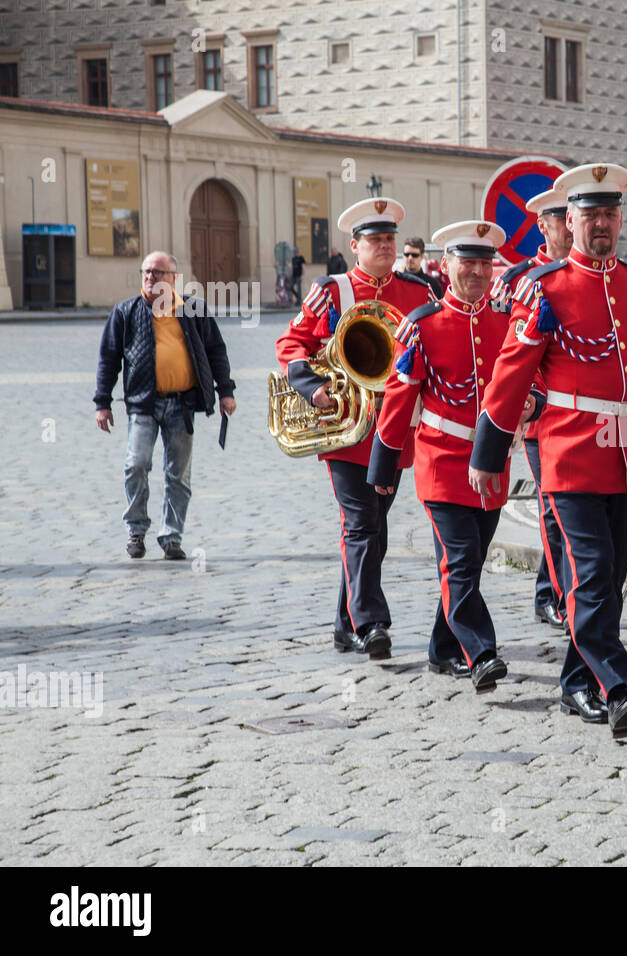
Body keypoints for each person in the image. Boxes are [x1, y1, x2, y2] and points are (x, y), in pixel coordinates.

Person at [468, 162, 627, 740]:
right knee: (589, 576)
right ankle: (617, 688)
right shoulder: (544, 289)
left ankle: (573, 681)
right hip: (568, 453)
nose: (602, 225)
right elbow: (510, 376)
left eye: (611, 214)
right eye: (590, 216)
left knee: (607, 581)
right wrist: (489, 456)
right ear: (570, 221)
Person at [369, 219, 529, 691]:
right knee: (460, 560)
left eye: (485, 262)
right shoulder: (421, 325)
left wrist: (534, 400)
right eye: (468, 262)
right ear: (446, 266)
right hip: (440, 461)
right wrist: (383, 465)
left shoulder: (506, 323)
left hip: (493, 464)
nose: (478, 271)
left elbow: (531, 378)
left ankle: (441, 648)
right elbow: (400, 395)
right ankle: (481, 652)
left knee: (469, 560)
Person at [275, 197, 436, 660]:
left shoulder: (420, 292)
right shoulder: (333, 290)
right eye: (375, 240)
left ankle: (345, 624)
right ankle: (371, 623)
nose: (385, 247)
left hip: (395, 428)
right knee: (361, 524)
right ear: (355, 246)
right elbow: (291, 341)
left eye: (390, 239)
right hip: (347, 428)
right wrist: (310, 385)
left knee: (376, 528)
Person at [94, 250, 237, 561]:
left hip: (181, 405)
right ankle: (136, 531)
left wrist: (225, 391)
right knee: (135, 466)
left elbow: (216, 351)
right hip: (142, 404)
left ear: (174, 278)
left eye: (158, 273)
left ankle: (171, 537)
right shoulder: (125, 312)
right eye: (146, 272)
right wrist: (102, 402)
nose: (150, 277)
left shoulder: (193, 310)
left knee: (177, 475)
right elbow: (109, 359)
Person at [489, 185, 574, 632]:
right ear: (543, 224)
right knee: (553, 508)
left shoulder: (592, 274)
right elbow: (504, 350)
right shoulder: (518, 279)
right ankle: (556, 595)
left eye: (572, 214)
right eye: (561, 217)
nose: (570, 224)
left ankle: (554, 590)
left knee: (568, 509)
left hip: (586, 415)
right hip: (542, 415)